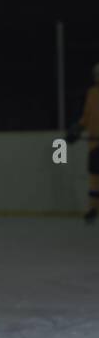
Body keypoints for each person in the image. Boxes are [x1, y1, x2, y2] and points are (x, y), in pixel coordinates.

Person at [70, 63, 99, 223]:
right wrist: (78, 129)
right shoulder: (92, 93)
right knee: (94, 177)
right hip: (95, 144)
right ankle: (93, 208)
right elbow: (87, 116)